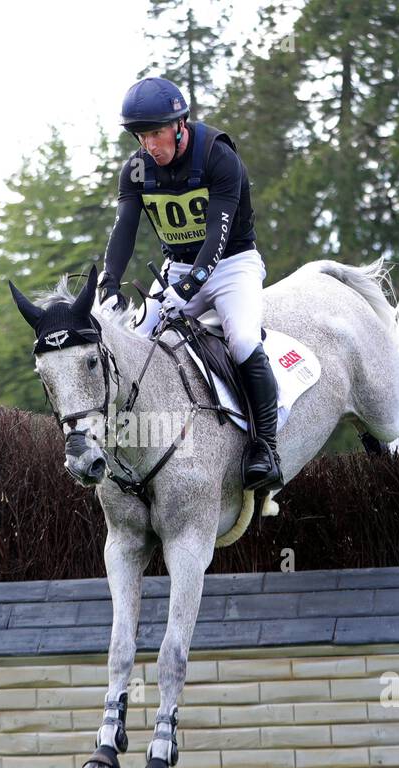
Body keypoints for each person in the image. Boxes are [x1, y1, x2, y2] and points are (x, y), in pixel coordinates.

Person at [98, 76, 280, 491]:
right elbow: (124, 231)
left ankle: (265, 447)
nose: (151, 146)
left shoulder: (218, 157)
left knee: (243, 341)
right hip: (177, 268)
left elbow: (218, 234)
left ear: (180, 125)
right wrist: (110, 284)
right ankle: (125, 446)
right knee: (132, 341)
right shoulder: (137, 170)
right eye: (142, 137)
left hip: (232, 265)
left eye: (158, 133)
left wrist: (191, 286)